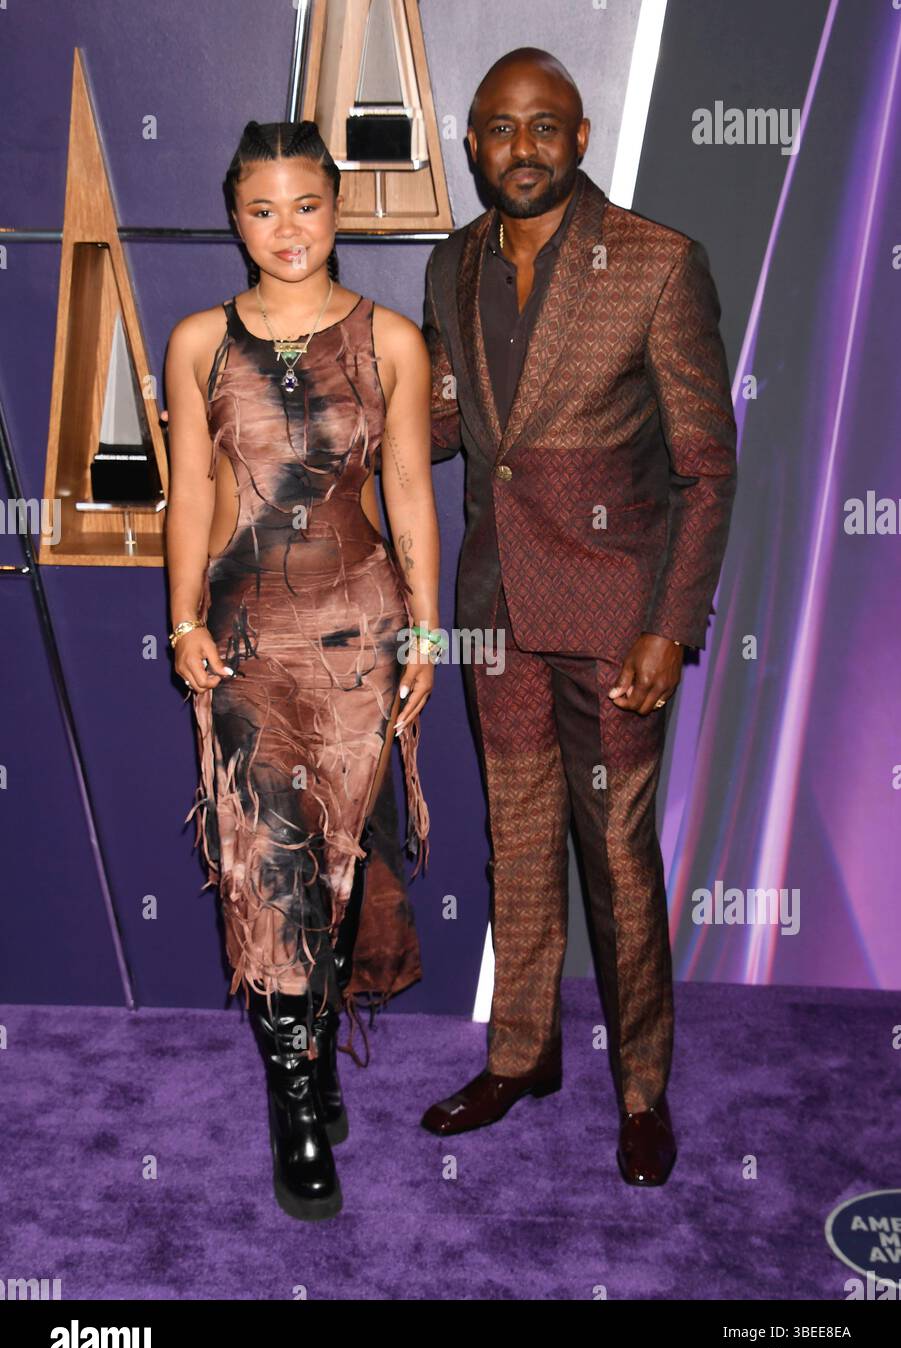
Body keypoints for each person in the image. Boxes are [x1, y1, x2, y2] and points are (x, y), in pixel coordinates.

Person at [419, 50, 738, 1185]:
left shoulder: (655, 263)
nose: (522, 148)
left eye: (544, 126)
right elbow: (455, 427)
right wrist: (348, 410)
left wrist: (669, 624)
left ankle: (643, 1092)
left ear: (582, 135)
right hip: (495, 608)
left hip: (612, 621)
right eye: (500, 130)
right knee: (516, 845)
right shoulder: (449, 265)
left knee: (616, 861)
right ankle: (523, 1055)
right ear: (471, 145)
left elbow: (706, 469)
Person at [164, 120, 440, 1221]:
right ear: (235, 216)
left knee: (335, 861)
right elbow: (192, 488)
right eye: (263, 209)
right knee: (264, 859)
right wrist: (179, 615)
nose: (288, 229)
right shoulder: (196, 339)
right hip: (244, 639)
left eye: (308, 206)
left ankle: (315, 1059)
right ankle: (296, 1106)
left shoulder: (393, 341)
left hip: (361, 631)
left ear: (340, 209)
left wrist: (423, 628)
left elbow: (411, 491)